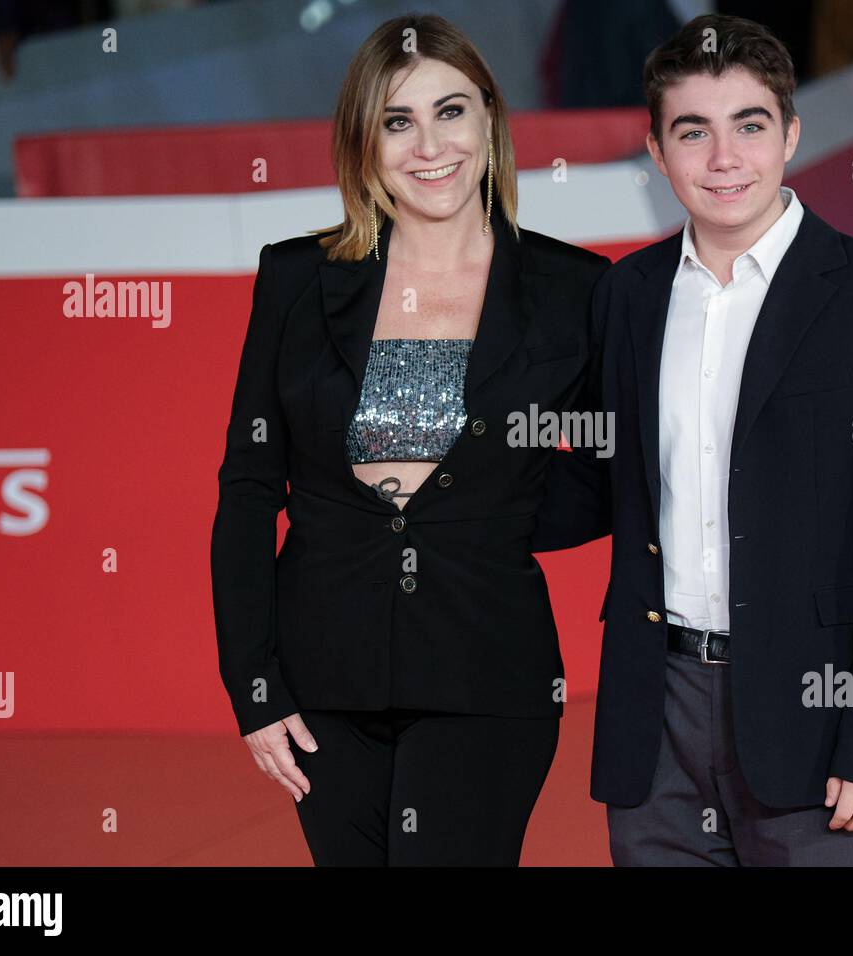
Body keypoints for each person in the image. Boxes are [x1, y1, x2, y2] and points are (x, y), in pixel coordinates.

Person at [538, 13, 853, 865]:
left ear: (791, 135)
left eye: (750, 126)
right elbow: (605, 480)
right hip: (655, 714)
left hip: (816, 714)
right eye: (693, 132)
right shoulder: (629, 295)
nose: (724, 159)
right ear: (658, 152)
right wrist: (446, 485)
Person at [209, 12, 607, 866]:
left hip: (485, 671)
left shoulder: (574, 289)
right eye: (398, 121)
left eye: (451, 111)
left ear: (491, 122)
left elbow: (625, 464)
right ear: (364, 144)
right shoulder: (297, 276)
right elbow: (248, 490)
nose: (430, 143)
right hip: (324, 681)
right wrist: (252, 683)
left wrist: (497, 518)